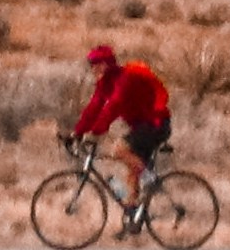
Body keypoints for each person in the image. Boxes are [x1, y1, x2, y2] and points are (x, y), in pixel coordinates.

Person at [73, 42, 173, 211]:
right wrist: (78, 131)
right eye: (91, 64)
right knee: (133, 168)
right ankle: (133, 216)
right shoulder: (104, 83)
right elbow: (94, 107)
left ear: (106, 64)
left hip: (155, 124)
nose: (93, 68)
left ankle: (152, 180)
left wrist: (96, 131)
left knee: (119, 150)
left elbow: (114, 106)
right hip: (141, 126)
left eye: (96, 64)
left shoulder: (124, 79)